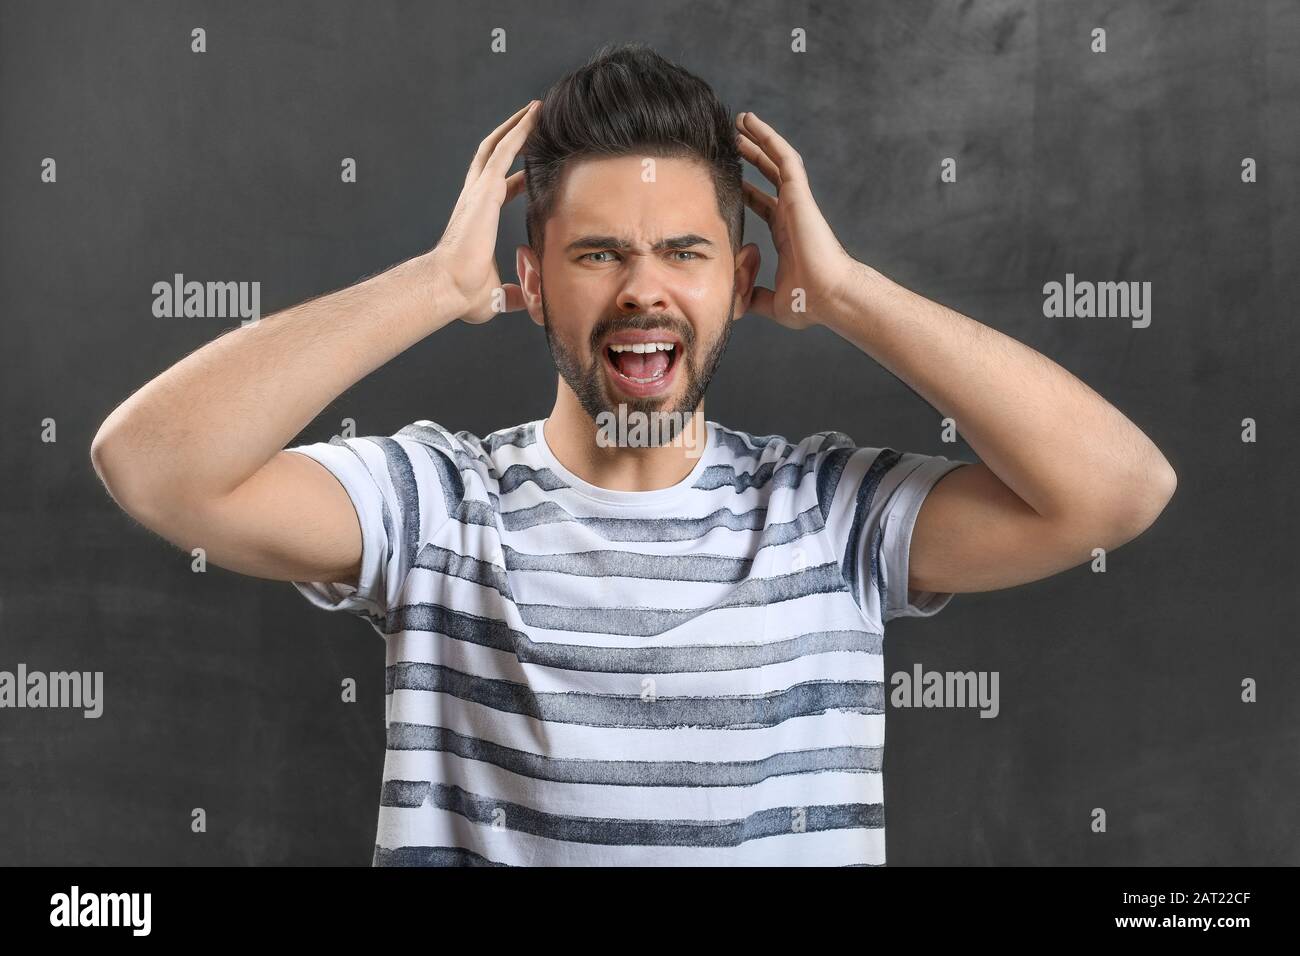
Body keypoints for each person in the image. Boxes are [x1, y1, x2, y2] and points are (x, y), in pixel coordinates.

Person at [89, 42, 1176, 865]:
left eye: (684, 252)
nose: (644, 288)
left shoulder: (830, 515)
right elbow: (151, 463)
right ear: (529, 280)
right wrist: (433, 283)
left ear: (741, 280)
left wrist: (846, 295)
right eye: (598, 252)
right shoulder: (435, 505)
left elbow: (1119, 490)